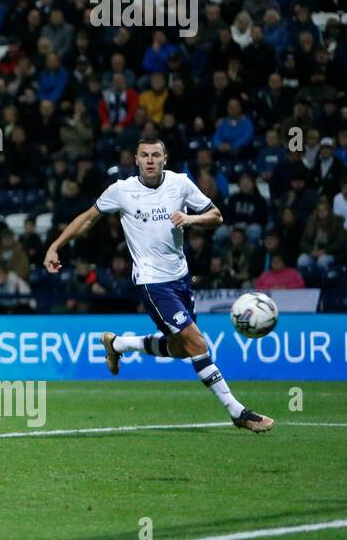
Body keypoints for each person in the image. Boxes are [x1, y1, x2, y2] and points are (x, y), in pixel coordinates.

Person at [44, 138, 274, 433]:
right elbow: (88, 219)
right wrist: (55, 246)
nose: (150, 160)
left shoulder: (180, 183)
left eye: (155, 155)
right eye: (144, 155)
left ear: (165, 158)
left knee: (181, 349)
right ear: (136, 160)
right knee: (197, 343)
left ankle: (117, 343)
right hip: (152, 282)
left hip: (180, 278)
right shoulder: (122, 190)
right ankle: (237, 411)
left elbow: (216, 216)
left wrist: (191, 219)